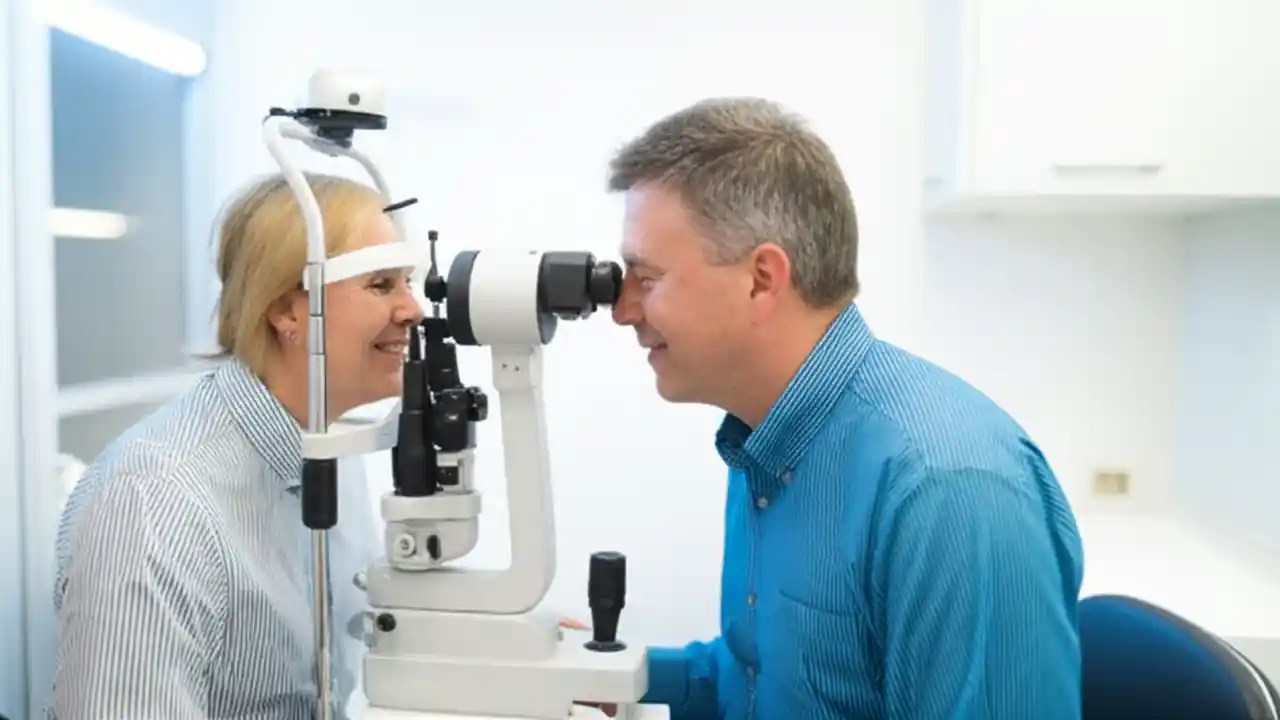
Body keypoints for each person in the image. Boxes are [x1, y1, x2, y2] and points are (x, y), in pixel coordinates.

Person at [604, 98, 1085, 718]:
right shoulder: (767, 440)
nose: (622, 310)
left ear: (761, 280)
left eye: (646, 278)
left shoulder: (947, 491)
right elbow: (758, 677)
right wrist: (612, 674)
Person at [48, 172, 425, 718]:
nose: (412, 309)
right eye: (380, 284)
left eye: (407, 281)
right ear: (287, 310)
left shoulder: (329, 449)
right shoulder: (156, 503)